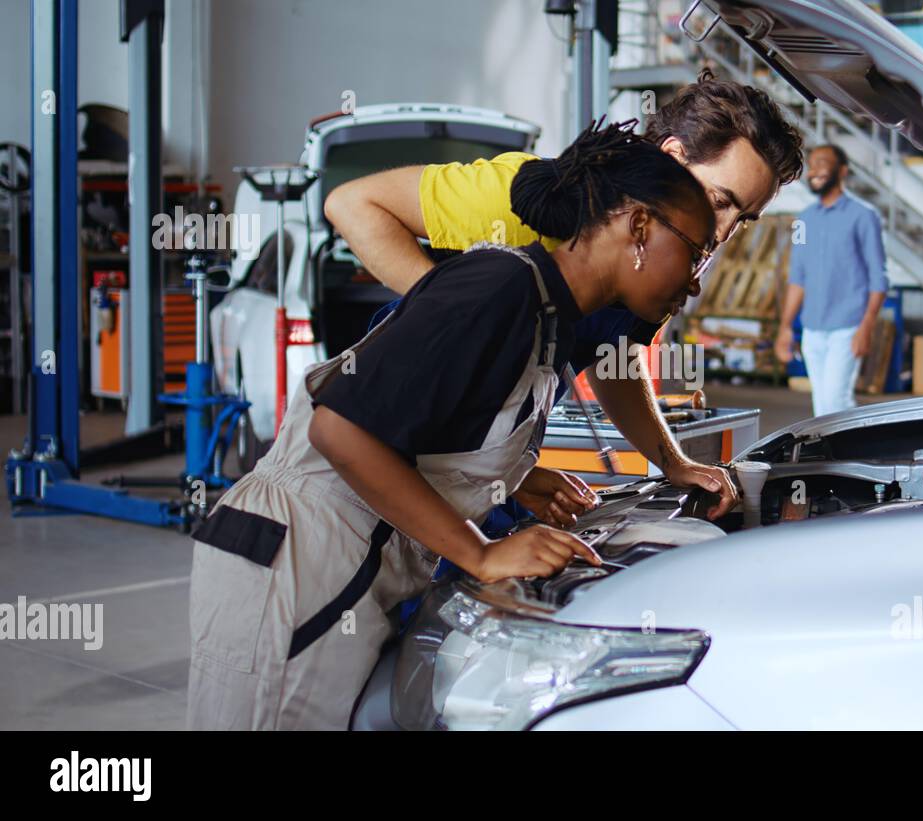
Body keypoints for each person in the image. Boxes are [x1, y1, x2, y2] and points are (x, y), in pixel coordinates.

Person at [187, 122, 717, 730]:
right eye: (697, 250)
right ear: (640, 227)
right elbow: (338, 432)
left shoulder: (549, 312)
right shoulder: (501, 287)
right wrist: (481, 552)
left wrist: (512, 480)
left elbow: (431, 419)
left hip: (342, 570)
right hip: (293, 565)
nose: (696, 280)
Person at [325, 71, 804, 528]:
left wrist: (670, 461)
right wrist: (457, 315)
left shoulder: (654, 261)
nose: (722, 234)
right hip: (373, 466)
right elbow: (352, 204)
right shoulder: (522, 199)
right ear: (674, 156)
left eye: (743, 219)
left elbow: (615, 356)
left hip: (456, 474)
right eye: (721, 202)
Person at [776, 144, 888, 417]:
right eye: (811, 165)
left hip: (848, 326)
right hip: (813, 328)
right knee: (823, 404)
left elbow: (878, 276)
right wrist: (786, 327)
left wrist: (867, 326)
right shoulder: (804, 220)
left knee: (835, 400)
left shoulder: (863, 216)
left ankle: (855, 451)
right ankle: (839, 453)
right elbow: (797, 278)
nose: (814, 171)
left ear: (843, 171)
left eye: (822, 163)